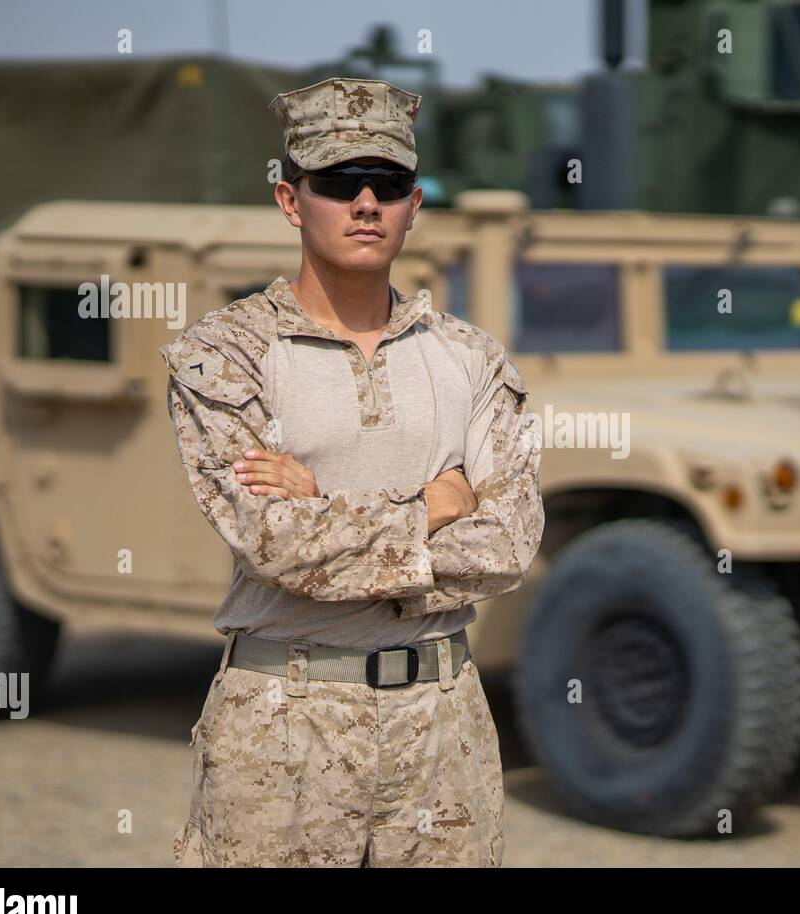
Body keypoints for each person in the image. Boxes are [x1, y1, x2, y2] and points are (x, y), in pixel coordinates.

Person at [159, 77, 543, 867]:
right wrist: (434, 504)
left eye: (389, 183)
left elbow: (507, 546)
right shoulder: (225, 355)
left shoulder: (471, 359)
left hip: (443, 725)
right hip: (283, 721)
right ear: (290, 200)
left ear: (415, 204)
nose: (365, 202)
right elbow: (276, 545)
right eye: (338, 182)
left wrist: (325, 506)